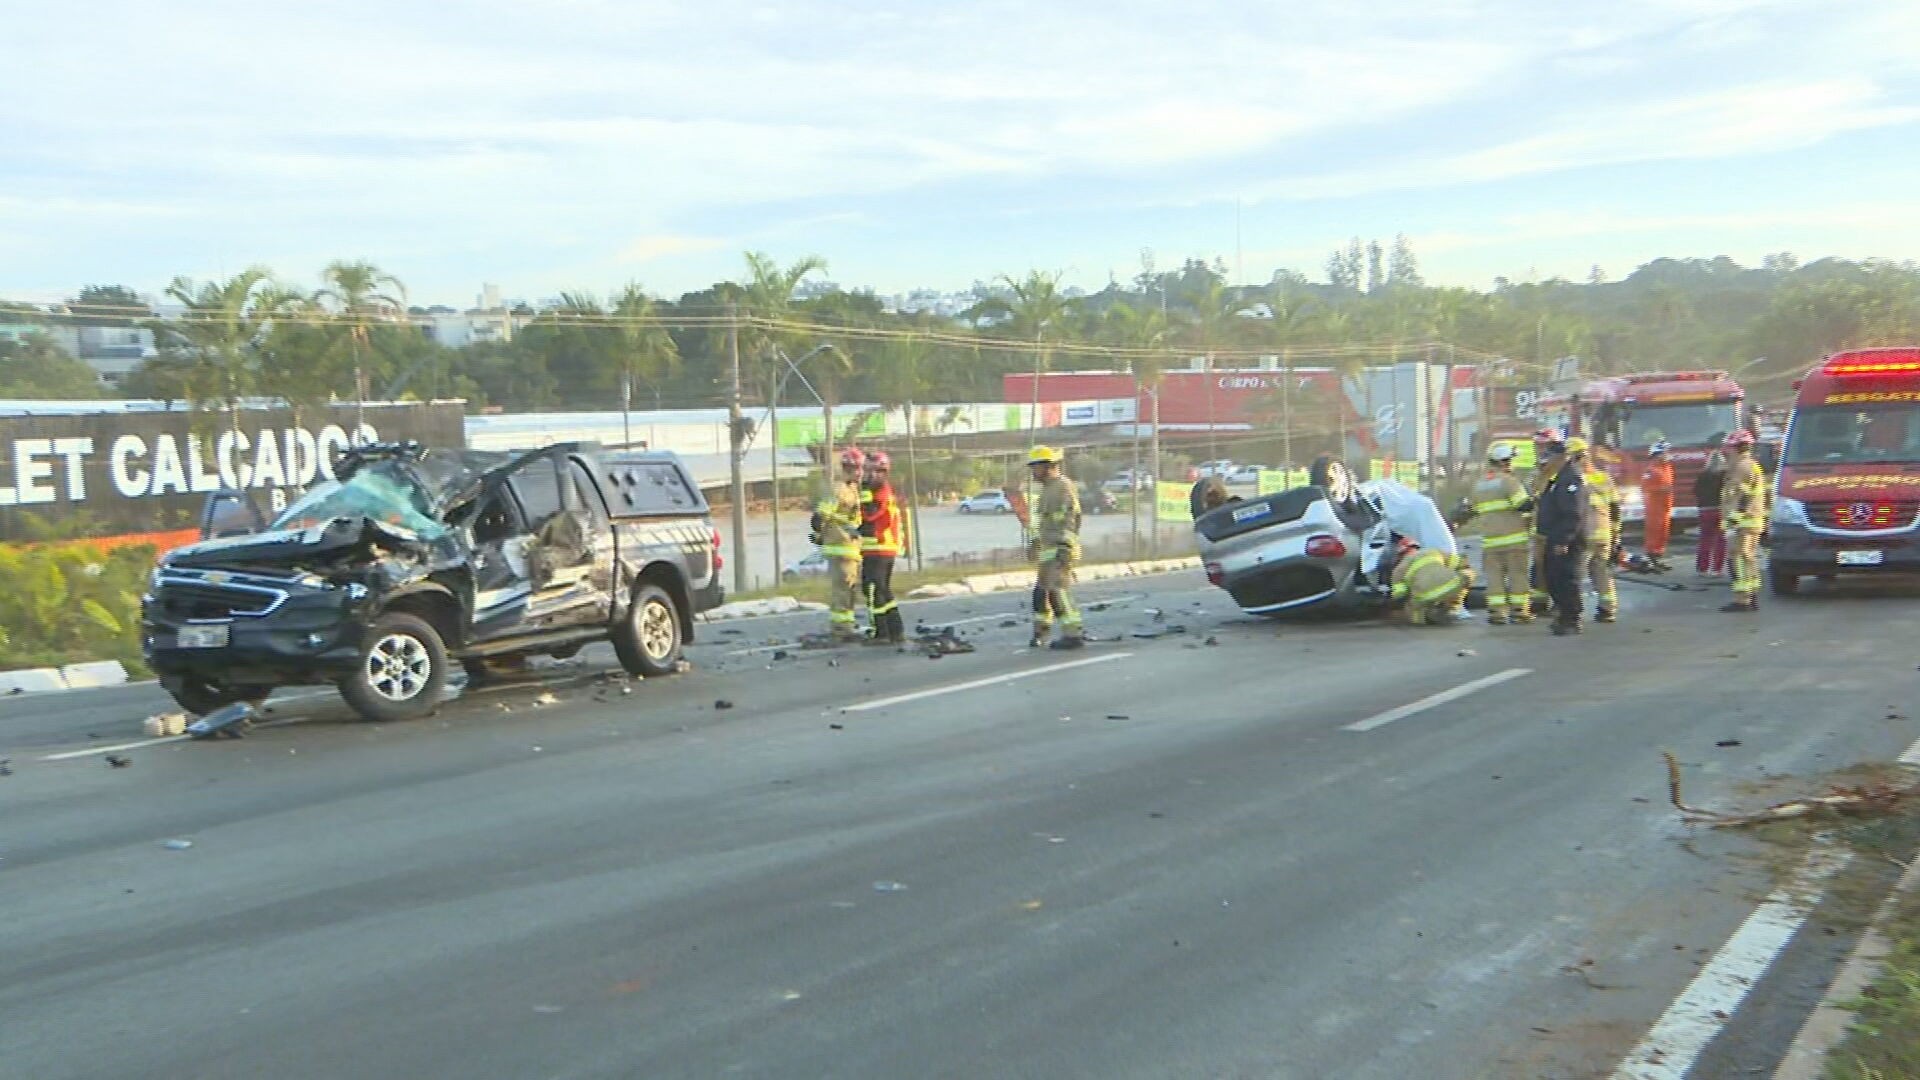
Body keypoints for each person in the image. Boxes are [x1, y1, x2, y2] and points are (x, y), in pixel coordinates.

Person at [1462, 443, 1533, 625]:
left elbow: (1470, 509)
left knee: (1494, 579)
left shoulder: (1479, 484)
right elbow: (1523, 505)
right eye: (1510, 460)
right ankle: (1519, 611)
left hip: (1491, 542)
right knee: (1517, 576)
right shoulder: (1509, 481)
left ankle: (1497, 613)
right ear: (1504, 462)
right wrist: (1538, 497)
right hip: (1514, 540)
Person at [1025, 445, 1085, 649]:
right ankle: (1041, 632)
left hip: (1060, 548)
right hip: (1048, 549)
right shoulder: (1047, 490)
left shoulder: (1063, 487)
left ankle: (1073, 634)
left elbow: (1071, 518)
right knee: (1041, 593)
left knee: (1057, 591)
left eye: (1036, 467)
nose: (1033, 472)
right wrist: (1035, 543)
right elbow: (1044, 522)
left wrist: (1065, 545)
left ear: (1048, 466)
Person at [1534, 435, 1591, 636]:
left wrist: (1563, 540)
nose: (1546, 461)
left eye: (1548, 457)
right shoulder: (1557, 479)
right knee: (1554, 579)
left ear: (1560, 458)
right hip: (1554, 538)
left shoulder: (1570, 480)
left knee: (1567, 580)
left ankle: (1571, 619)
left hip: (1567, 541)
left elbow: (1573, 514)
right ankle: (1563, 616)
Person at [812, 448, 867, 642]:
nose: (861, 473)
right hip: (840, 548)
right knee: (842, 591)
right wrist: (822, 537)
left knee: (850, 590)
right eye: (858, 468)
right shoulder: (839, 490)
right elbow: (819, 517)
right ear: (849, 468)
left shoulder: (852, 489)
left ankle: (846, 626)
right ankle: (840, 629)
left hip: (851, 548)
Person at [858, 450, 907, 645]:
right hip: (877, 549)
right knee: (883, 591)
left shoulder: (880, 492)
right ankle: (895, 630)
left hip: (879, 549)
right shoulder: (877, 491)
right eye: (866, 471)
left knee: (873, 590)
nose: (868, 475)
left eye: (873, 471)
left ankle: (882, 633)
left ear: (883, 472)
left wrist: (862, 494)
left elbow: (870, 515)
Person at [1720, 429, 1768, 613]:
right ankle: (1751, 595)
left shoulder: (1742, 467)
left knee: (1738, 558)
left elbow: (1744, 496)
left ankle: (1743, 599)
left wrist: (1734, 520)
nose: (1726, 451)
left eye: (1729, 447)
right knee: (1748, 558)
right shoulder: (1750, 465)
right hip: (1750, 521)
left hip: (1742, 523)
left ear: (1736, 448)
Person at [1388, 537, 1474, 627]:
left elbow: (1400, 595)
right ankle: (1453, 609)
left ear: (1400, 553)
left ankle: (1424, 620)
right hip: (1450, 586)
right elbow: (1460, 562)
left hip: (1424, 596)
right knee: (1466, 575)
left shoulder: (1399, 568)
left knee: (1414, 610)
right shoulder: (1433, 552)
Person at [1580, 441, 1622, 622]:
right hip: (1604, 533)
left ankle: (1572, 612)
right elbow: (1615, 508)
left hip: (1583, 534)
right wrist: (1616, 533)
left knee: (1575, 574)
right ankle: (1608, 609)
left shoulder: (1575, 479)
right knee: (1602, 571)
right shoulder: (1604, 477)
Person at [1526, 428, 1566, 616]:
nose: (1540, 450)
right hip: (1539, 529)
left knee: (1558, 569)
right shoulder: (1537, 472)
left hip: (1557, 528)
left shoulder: (1560, 471)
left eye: (1544, 446)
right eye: (1537, 446)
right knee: (1539, 568)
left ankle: (1561, 603)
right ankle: (1539, 603)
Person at [1641, 440, 1675, 570]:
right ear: (1657, 454)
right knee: (1654, 533)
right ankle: (1652, 558)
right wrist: (1661, 489)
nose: (1667, 454)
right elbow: (1645, 487)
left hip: (1665, 505)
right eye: (1665, 452)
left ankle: (1658, 557)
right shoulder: (1651, 470)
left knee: (1663, 532)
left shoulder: (1667, 467)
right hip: (1654, 507)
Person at [1694, 447, 1728, 577]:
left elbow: (1696, 491)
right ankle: (1717, 569)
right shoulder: (1724, 475)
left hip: (1705, 510)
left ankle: (1702, 569)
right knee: (1720, 540)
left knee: (1705, 540)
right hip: (1720, 509)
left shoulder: (1702, 475)